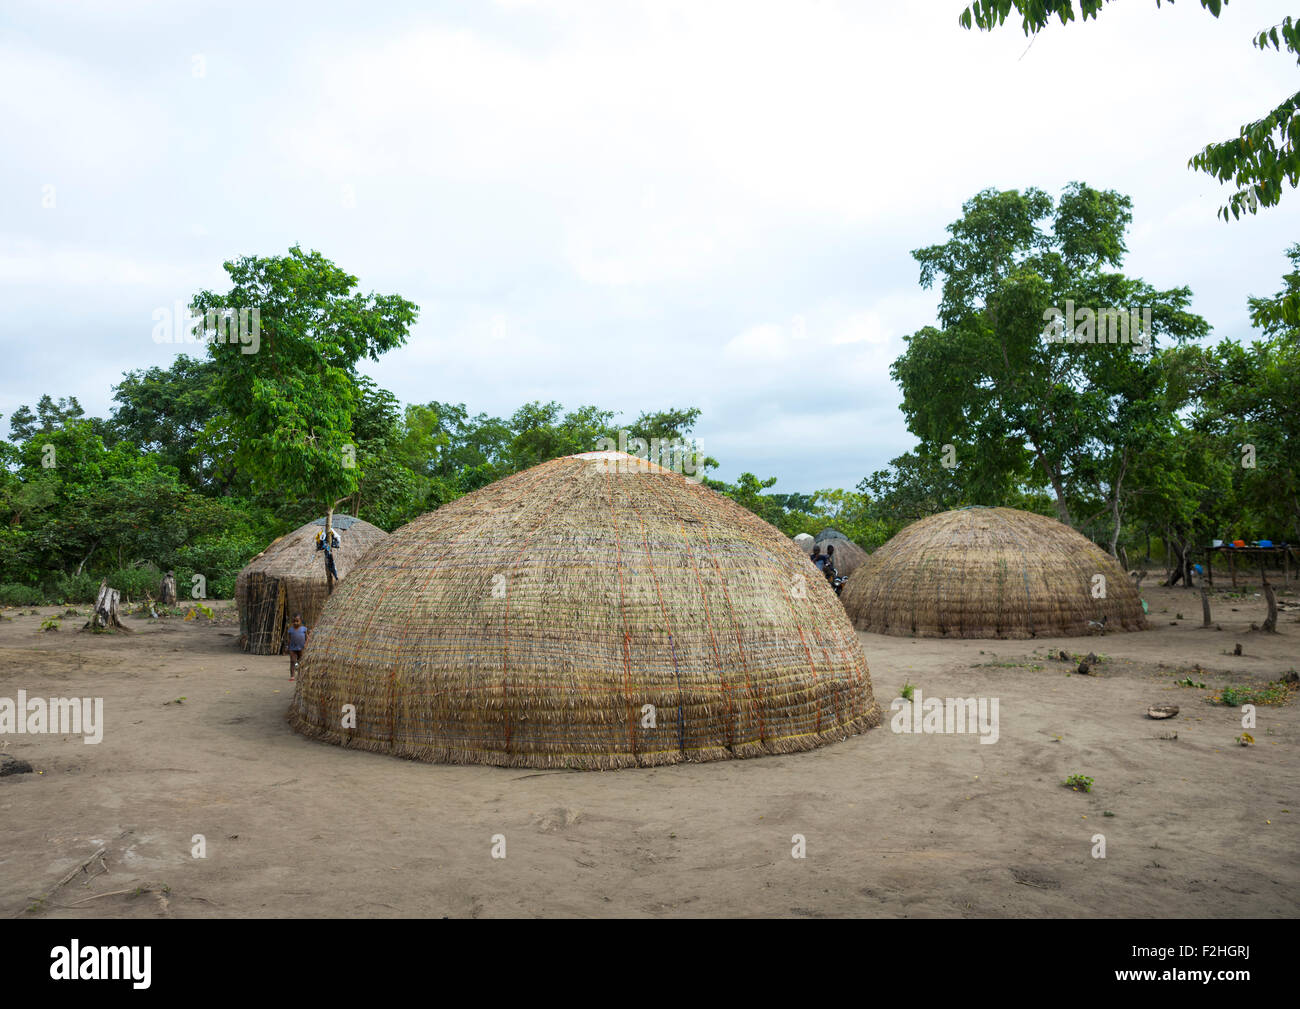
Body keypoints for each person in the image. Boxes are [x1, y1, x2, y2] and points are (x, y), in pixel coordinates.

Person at [286, 613, 308, 680]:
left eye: (297, 621)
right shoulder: (290, 630)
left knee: (300, 661)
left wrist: (306, 644)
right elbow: (289, 639)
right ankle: (292, 676)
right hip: (292, 648)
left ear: (300, 621)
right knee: (292, 661)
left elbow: (307, 638)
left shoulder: (304, 629)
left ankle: (300, 675)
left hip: (301, 648)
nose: (295, 623)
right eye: (294, 621)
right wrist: (288, 647)